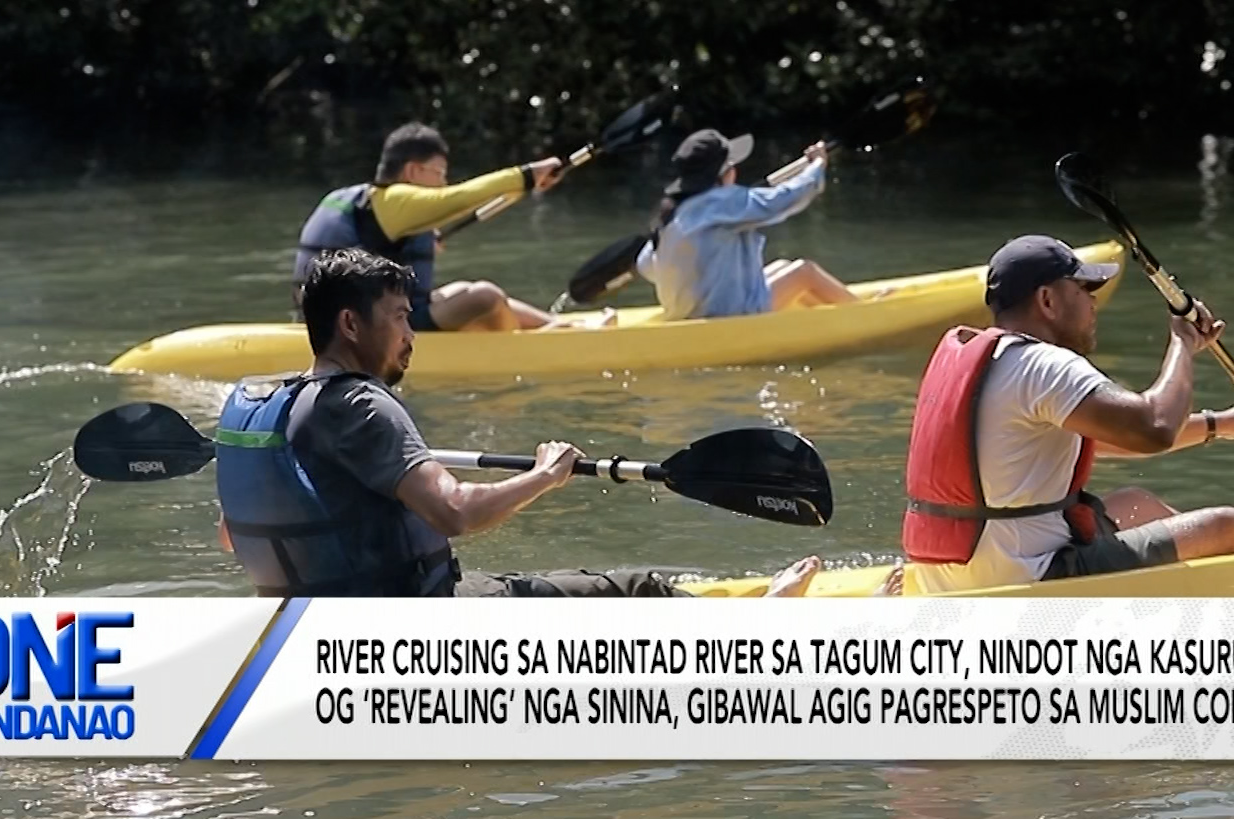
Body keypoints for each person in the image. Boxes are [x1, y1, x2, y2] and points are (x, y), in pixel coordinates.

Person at [217, 247, 891, 597]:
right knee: (638, 589)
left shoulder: (276, 405)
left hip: (322, 624)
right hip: (416, 628)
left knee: (558, 582)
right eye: (399, 318)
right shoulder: (364, 405)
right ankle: (759, 632)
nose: (410, 335)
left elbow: (232, 534)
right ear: (349, 324)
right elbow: (454, 514)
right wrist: (543, 476)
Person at [901, 234, 1234, 593]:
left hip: (953, 578)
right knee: (1224, 523)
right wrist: (1182, 344)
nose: (1093, 302)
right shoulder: (1045, 365)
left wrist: (1223, 425)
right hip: (1022, 582)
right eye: (1084, 289)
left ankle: (1215, 581)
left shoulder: (989, 360)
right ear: (1046, 299)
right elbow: (1151, 428)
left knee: (1136, 504)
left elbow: (1104, 440)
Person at [292, 122, 605, 331]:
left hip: (340, 318)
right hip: (360, 326)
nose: (443, 182)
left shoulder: (360, 199)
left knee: (459, 290)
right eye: (439, 173)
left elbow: (372, 252)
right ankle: (531, 346)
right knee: (485, 296)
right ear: (413, 170)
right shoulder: (395, 200)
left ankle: (555, 324)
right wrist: (526, 174)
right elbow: (459, 198)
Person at [634, 129, 862, 321]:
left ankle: (827, 316)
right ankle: (861, 316)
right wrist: (818, 165)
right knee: (805, 272)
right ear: (725, 174)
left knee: (783, 265)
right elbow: (785, 199)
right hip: (726, 317)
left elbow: (646, 266)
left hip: (687, 314)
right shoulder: (721, 203)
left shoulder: (670, 211)